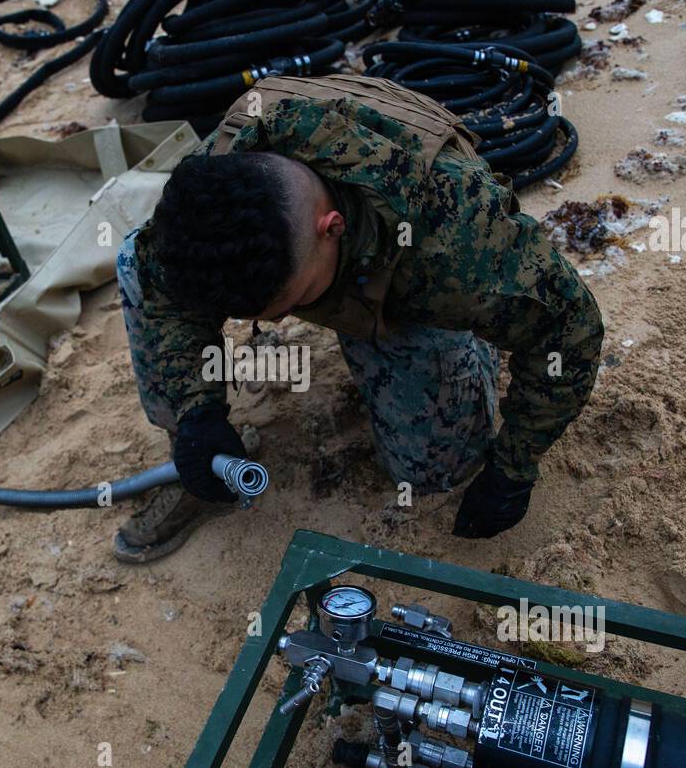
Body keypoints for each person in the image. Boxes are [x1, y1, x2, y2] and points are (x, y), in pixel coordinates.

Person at [112, 76, 603, 562]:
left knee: (434, 472)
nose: (282, 322)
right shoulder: (218, 180)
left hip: (400, 257)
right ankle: (194, 449)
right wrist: (196, 411)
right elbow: (162, 289)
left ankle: (472, 345)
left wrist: (513, 468)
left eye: (291, 302)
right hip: (334, 242)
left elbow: (569, 329)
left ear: (333, 229)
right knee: (138, 260)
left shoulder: (457, 242)